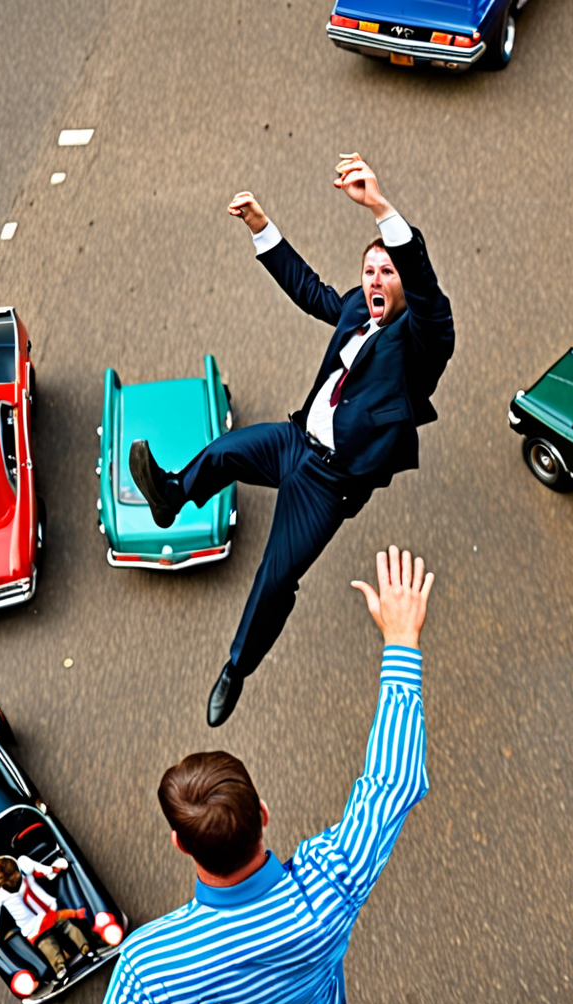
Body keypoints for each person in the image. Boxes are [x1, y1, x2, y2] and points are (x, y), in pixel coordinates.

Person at [129, 154, 453, 726]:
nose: (375, 280)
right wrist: (261, 226)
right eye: (370, 271)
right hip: (296, 440)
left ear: (405, 284)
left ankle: (237, 667)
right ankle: (172, 496)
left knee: (276, 578)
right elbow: (310, 291)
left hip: (330, 483)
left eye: (388, 272)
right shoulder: (357, 307)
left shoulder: (424, 342)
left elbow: (426, 290)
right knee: (226, 450)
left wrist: (380, 208)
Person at [96, 546, 433, 1004]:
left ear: (180, 843)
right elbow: (392, 783)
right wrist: (401, 639)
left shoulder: (150, 967)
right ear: (263, 814)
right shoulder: (331, 886)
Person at [0, 854, 91, 979]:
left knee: (68, 927)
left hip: (50, 913)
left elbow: (43, 870)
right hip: (34, 928)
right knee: (46, 944)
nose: (16, 880)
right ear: (1, 884)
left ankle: (86, 949)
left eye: (16, 875)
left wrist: (54, 868)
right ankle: (61, 970)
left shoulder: (24, 865)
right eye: (11, 880)